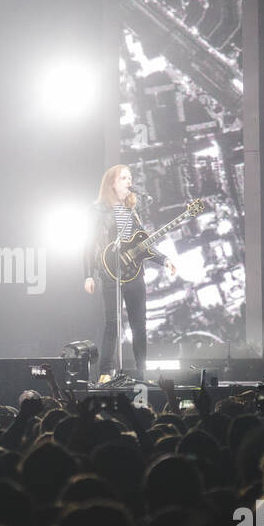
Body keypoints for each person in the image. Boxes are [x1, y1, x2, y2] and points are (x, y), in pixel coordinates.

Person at [83, 164, 175, 382]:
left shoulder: (133, 211)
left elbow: (143, 245)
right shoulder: (98, 210)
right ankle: (105, 373)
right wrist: (88, 274)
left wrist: (164, 259)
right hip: (110, 273)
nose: (129, 181)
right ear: (112, 183)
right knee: (112, 325)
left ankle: (142, 373)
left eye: (130, 178)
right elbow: (89, 244)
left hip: (134, 274)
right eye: (124, 178)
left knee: (139, 326)